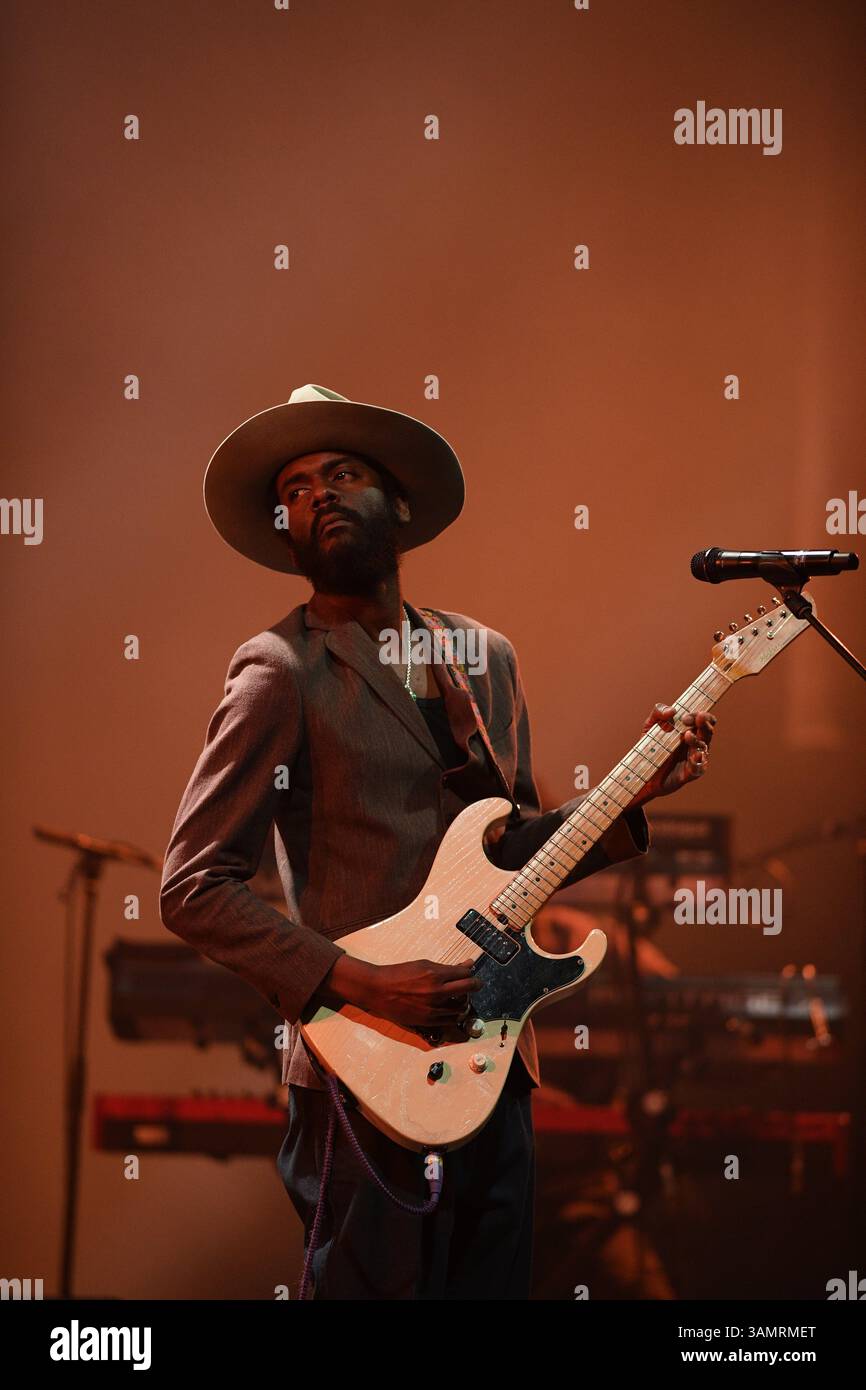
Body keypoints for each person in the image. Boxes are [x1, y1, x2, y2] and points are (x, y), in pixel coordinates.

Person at [159, 383, 716, 1300]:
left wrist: (630, 798)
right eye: (296, 488)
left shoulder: (483, 658)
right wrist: (360, 982)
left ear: (401, 505)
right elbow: (193, 887)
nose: (319, 494)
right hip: (363, 1067)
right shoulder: (279, 669)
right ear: (286, 530)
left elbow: (515, 857)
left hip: (494, 1056)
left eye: (343, 474)